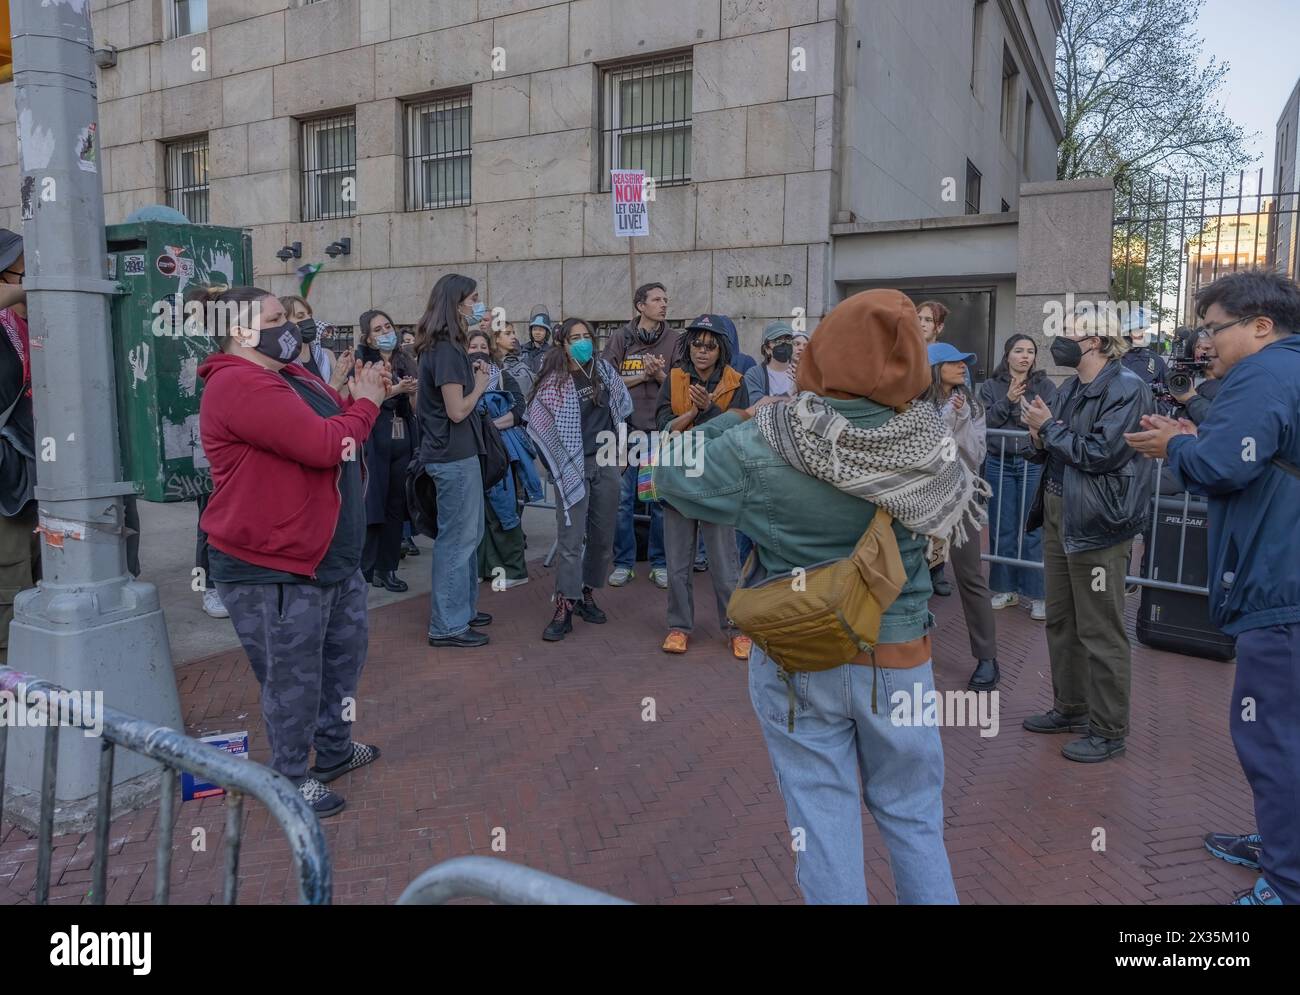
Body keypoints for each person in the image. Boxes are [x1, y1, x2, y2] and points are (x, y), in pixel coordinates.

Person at [654, 289, 980, 904]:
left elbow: (669, 471)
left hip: (799, 652)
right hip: (898, 655)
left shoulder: (772, 438)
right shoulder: (933, 447)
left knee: (823, 825)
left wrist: (740, 417)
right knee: (914, 821)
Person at [1125, 270, 1300, 906]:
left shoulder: (1264, 373)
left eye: (1213, 327)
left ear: (1260, 325)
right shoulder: (1287, 371)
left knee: (1273, 736)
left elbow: (1225, 466)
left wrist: (1175, 447)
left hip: (1279, 585)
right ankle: (1282, 843)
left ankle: (1286, 882)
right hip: (1286, 576)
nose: (1206, 342)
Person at [197, 286, 386, 817]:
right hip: (272, 567)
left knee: (342, 662)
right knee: (292, 680)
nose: (292, 328)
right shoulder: (238, 384)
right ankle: (289, 776)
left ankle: (334, 750)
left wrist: (361, 395)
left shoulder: (291, 375)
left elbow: (333, 420)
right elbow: (327, 445)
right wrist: (368, 406)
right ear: (240, 331)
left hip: (330, 557)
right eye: (277, 318)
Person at [1019, 302, 1154, 763]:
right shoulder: (1071, 387)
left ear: (1094, 340)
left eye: (1069, 332)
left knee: (1100, 627)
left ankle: (1109, 729)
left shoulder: (1127, 388)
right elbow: (1052, 449)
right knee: (1061, 618)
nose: (1059, 341)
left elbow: (1101, 453)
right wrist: (1037, 436)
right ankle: (1071, 707)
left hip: (1099, 519)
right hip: (1061, 511)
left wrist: (1048, 428)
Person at [526, 318, 632, 641]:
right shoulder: (554, 381)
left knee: (602, 538)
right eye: (576, 337)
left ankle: (587, 592)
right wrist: (554, 463)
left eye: (587, 336)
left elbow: (621, 410)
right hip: (572, 466)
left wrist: (623, 451)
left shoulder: (603, 371)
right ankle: (564, 604)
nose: (583, 342)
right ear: (563, 343)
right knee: (571, 540)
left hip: (606, 460)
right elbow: (538, 422)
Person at [654, 314, 750, 657]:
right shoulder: (675, 378)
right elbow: (663, 425)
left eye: (710, 345)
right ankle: (678, 627)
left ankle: (736, 629)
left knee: (725, 567)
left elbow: (740, 431)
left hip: (717, 486)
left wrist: (709, 410)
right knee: (677, 565)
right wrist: (693, 413)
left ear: (721, 348)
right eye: (697, 343)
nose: (702, 351)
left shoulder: (736, 383)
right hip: (679, 484)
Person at [416, 274, 494, 648]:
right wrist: (480, 384)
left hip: (457, 455)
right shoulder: (445, 350)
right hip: (452, 457)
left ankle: (461, 609)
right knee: (457, 541)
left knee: (469, 536)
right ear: (457, 302)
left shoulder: (447, 346)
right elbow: (457, 410)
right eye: (473, 298)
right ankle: (447, 624)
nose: (478, 303)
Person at [921, 343, 999, 691]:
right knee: (908, 576)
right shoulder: (916, 405)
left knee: (970, 576)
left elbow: (975, 453)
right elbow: (925, 452)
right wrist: (946, 419)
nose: (963, 368)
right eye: (953, 363)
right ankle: (906, 653)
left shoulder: (974, 405)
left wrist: (963, 419)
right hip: (921, 500)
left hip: (961, 498)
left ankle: (987, 658)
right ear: (935, 368)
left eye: (965, 362)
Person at [977, 334, 1057, 621]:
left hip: (1032, 462)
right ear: (1007, 354)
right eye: (1019, 351)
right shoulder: (990, 387)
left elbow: (1050, 421)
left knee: (1033, 529)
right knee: (1001, 527)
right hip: (999, 462)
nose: (1025, 356)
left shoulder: (1044, 385)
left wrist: (1032, 418)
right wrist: (1008, 402)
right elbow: (984, 422)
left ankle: (1038, 595)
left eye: (1031, 351)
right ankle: (1005, 589)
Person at [604, 282, 678, 589]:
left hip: (658, 433)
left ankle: (660, 563)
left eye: (665, 299)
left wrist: (659, 375)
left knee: (658, 500)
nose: (663, 304)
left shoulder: (676, 340)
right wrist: (642, 376)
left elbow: (679, 386)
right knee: (620, 501)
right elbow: (607, 381)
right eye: (657, 299)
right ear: (640, 306)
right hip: (622, 432)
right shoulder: (621, 338)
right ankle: (623, 562)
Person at [469, 329, 540, 589]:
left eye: (483, 347)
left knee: (502, 510)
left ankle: (510, 570)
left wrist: (489, 429)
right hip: (472, 453)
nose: (478, 351)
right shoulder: (458, 381)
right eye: (472, 346)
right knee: (476, 513)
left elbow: (520, 410)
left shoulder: (503, 378)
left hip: (501, 455)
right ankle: (479, 569)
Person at [357, 308, 418, 593]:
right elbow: (362, 399)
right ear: (368, 339)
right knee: (373, 506)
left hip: (402, 438)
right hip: (373, 440)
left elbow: (416, 406)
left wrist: (412, 390)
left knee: (396, 506)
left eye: (388, 327)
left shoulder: (405, 361)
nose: (385, 333)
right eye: (378, 330)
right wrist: (396, 390)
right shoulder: (363, 364)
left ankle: (388, 568)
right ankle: (364, 571)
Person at [0, 230, 38, 665]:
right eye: (24, 266)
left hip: (35, 471)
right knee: (11, 586)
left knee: (38, 578)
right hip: (6, 478)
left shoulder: (25, 321)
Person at [279, 295, 338, 385]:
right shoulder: (279, 363)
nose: (308, 319)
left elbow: (341, 396)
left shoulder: (326, 356)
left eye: (309, 315)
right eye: (300, 316)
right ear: (284, 323)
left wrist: (342, 376)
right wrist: (336, 383)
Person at [742, 321, 798, 402]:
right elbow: (756, 404)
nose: (784, 344)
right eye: (778, 341)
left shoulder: (800, 372)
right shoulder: (754, 374)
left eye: (788, 340)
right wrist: (791, 391)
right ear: (767, 349)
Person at [494, 320, 536, 398]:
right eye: (508, 334)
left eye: (513, 333)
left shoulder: (519, 360)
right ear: (496, 338)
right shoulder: (492, 363)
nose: (513, 336)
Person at [522, 310, 553, 375]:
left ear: (547, 333)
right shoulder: (522, 349)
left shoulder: (551, 352)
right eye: (534, 329)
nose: (537, 332)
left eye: (541, 330)